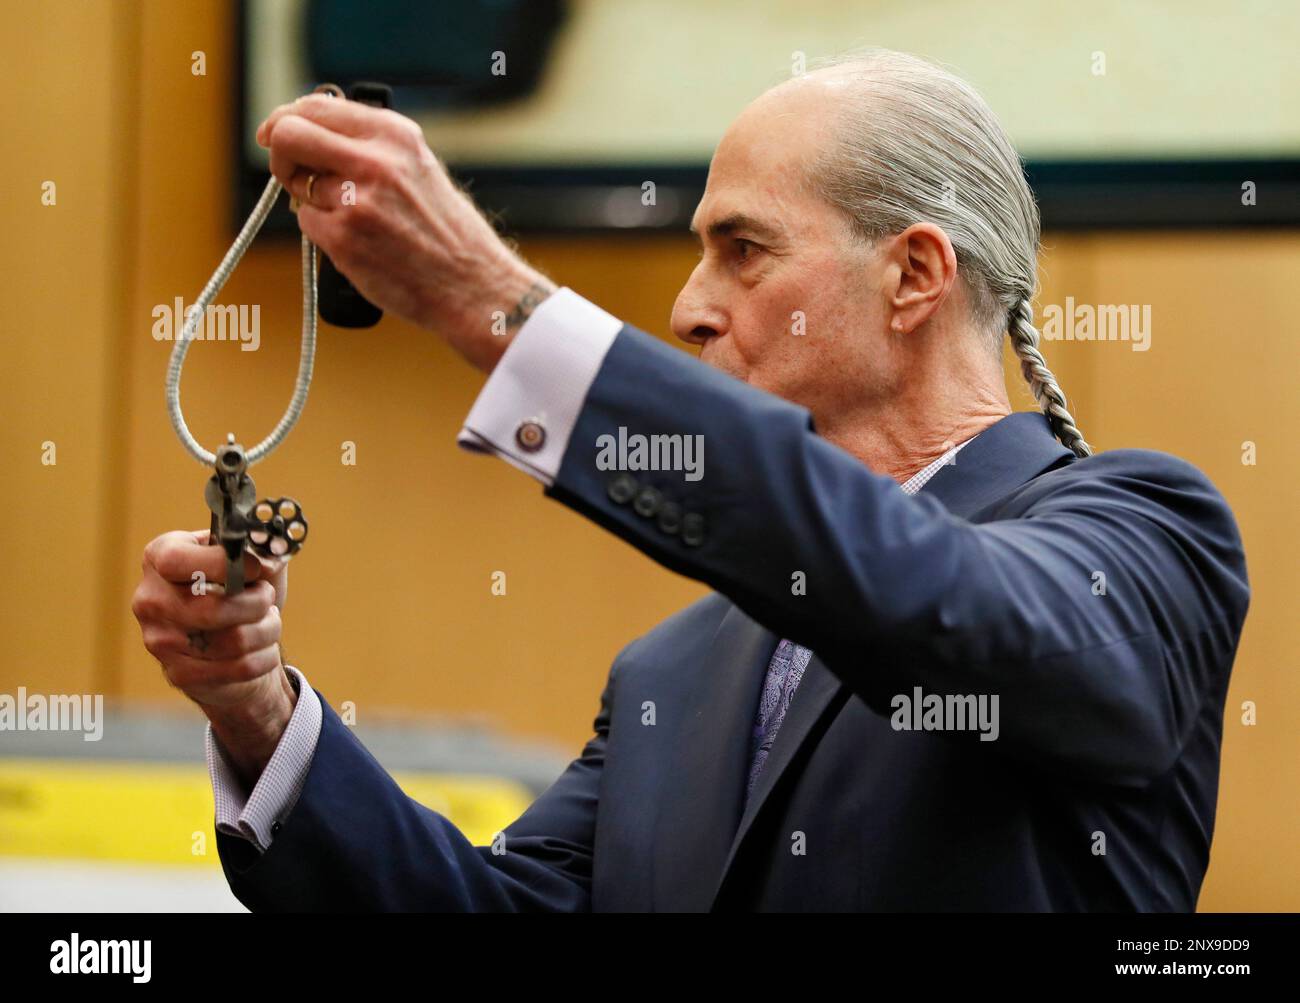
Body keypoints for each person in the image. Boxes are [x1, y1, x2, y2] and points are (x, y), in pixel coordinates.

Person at [131, 49, 1249, 911]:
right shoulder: (672, 668)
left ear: (913, 275)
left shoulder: (1146, 534)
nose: (686, 307)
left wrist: (494, 309)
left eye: (743, 250)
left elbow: (937, 601)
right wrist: (257, 712)